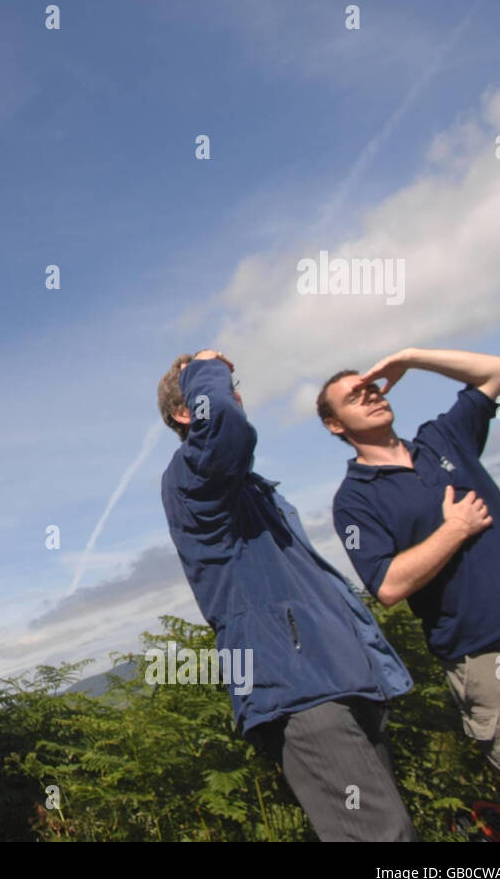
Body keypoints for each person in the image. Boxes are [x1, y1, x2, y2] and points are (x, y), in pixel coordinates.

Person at [158, 349, 417, 841]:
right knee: (383, 839)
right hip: (300, 692)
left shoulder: (244, 490)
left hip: (336, 682)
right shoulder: (192, 483)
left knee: (387, 830)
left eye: (233, 388)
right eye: (219, 391)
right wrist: (204, 368)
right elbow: (226, 425)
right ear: (185, 412)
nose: (234, 397)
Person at [319, 347, 500, 840]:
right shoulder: (354, 501)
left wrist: (409, 357)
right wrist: (454, 530)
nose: (370, 396)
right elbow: (386, 585)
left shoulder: (442, 437)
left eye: (371, 387)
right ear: (335, 426)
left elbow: (496, 370)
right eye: (353, 397)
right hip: (495, 662)